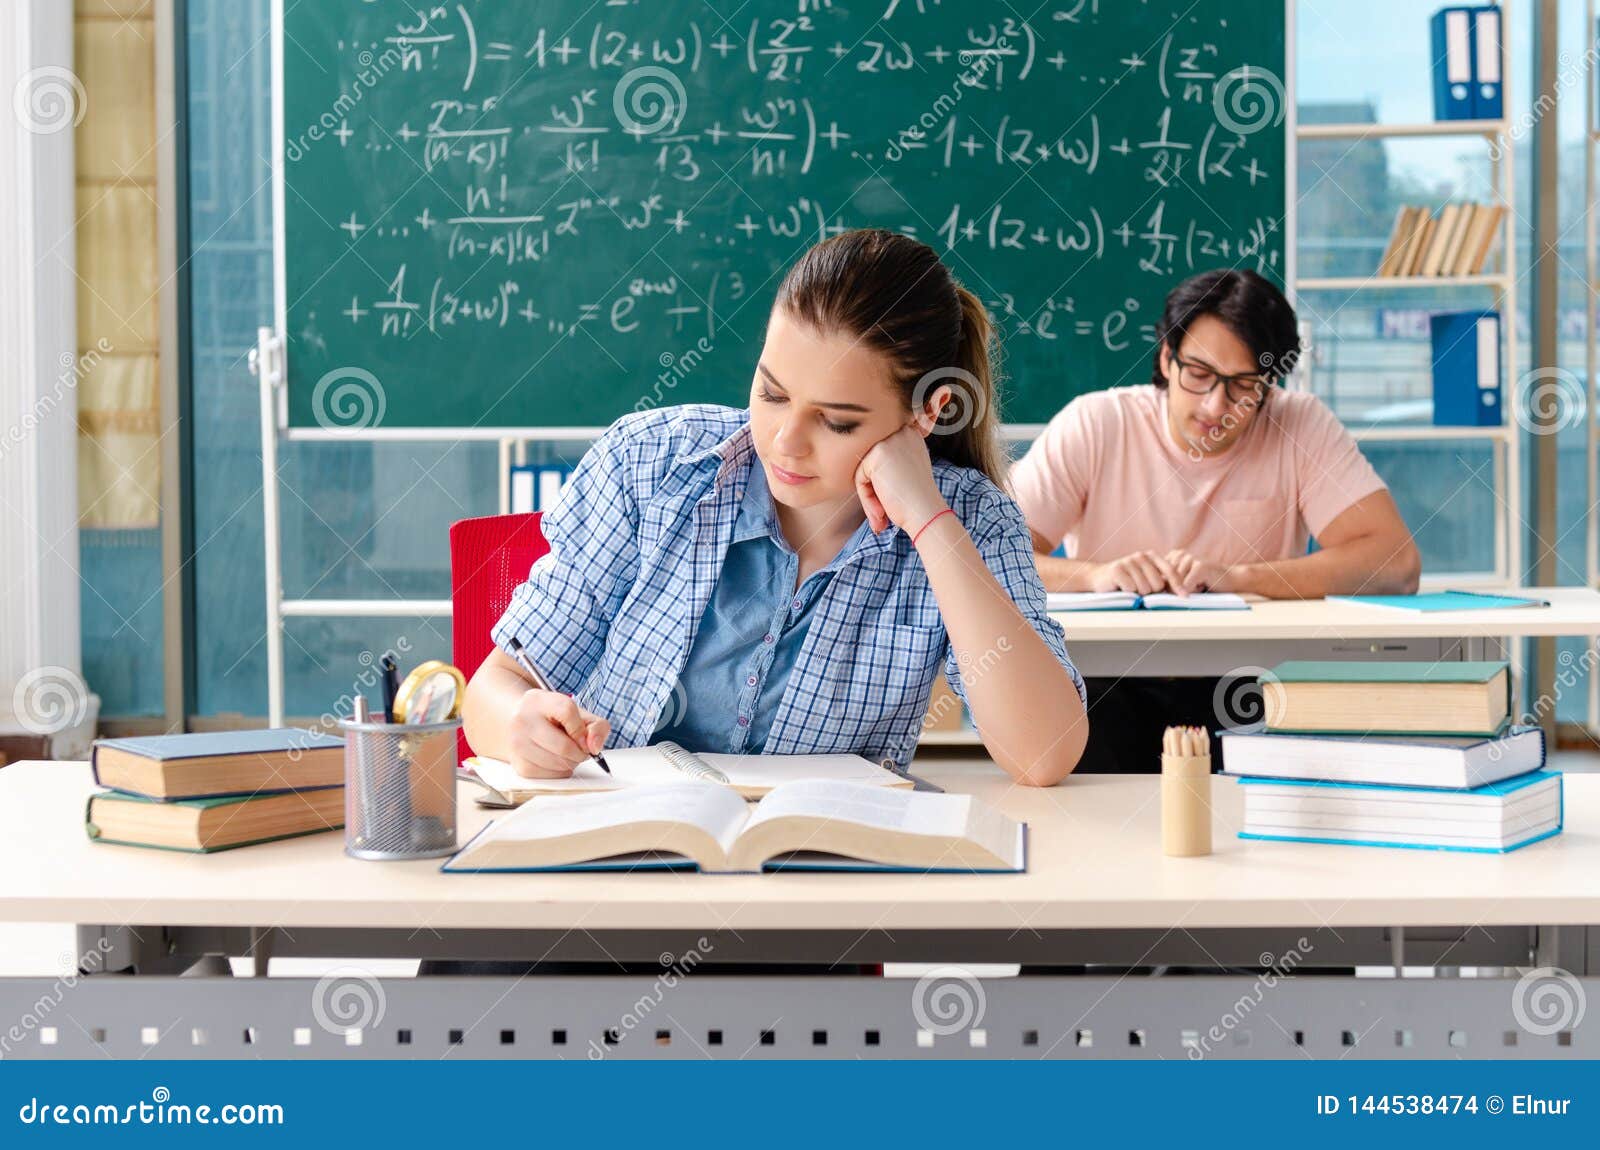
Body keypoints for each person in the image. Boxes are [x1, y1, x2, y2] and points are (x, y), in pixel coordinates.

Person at [463, 228, 1089, 788]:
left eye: (837, 421)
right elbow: (496, 686)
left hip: (820, 883)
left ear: (926, 411)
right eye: (772, 392)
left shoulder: (972, 521)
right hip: (617, 862)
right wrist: (520, 725)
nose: (785, 441)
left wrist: (927, 518)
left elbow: (1044, 755)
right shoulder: (647, 463)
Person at [1009, 268, 1420, 772]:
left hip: (1249, 684)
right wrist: (1095, 576)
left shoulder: (1300, 423)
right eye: (1198, 375)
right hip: (1110, 682)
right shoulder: (1097, 423)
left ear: (1269, 384)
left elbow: (1396, 563)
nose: (1215, 406)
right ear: (1166, 358)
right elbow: (995, 560)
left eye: (1243, 386)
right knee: (1090, 807)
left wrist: (1240, 578)